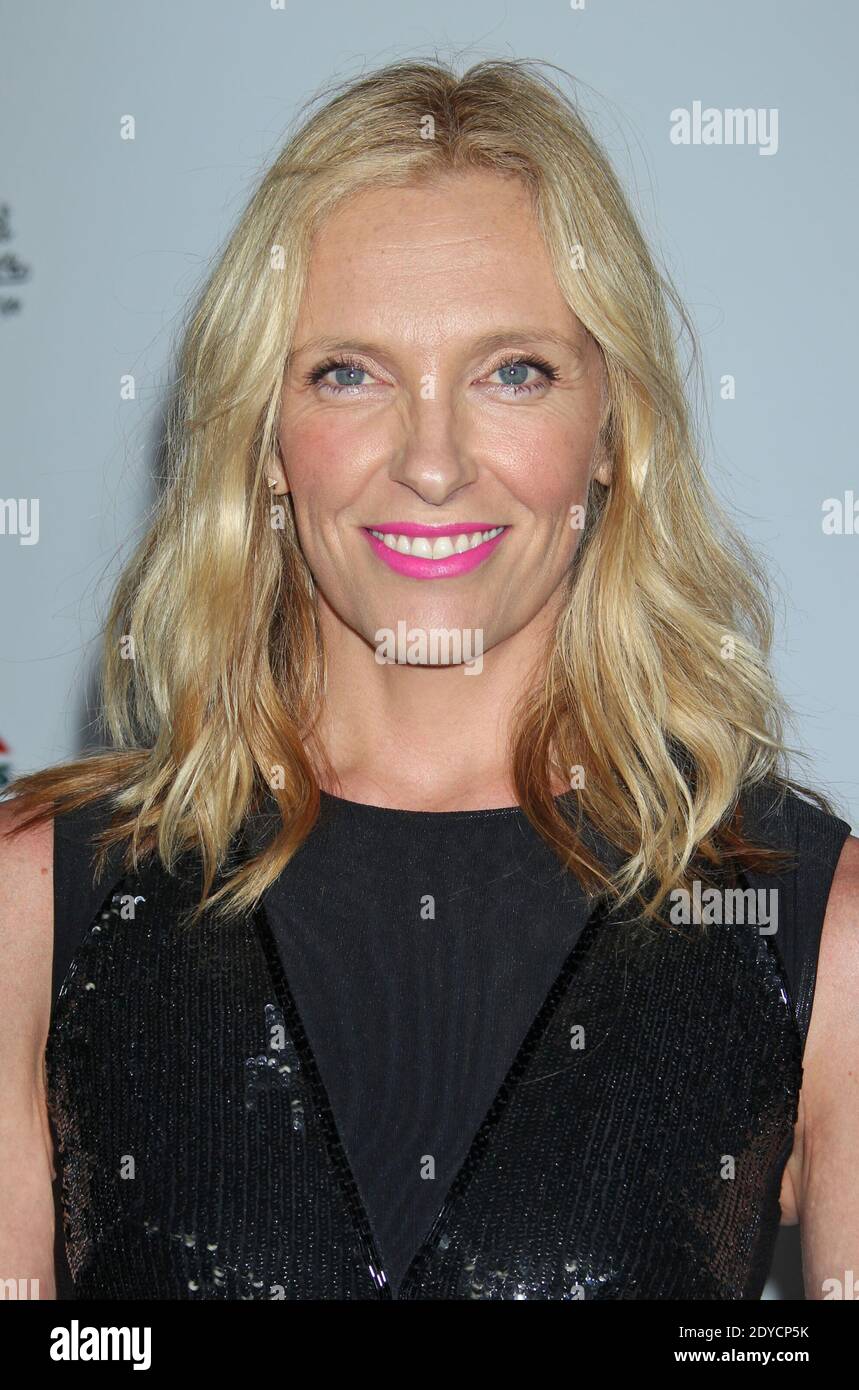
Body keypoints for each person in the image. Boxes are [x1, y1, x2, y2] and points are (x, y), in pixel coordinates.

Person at [1, 56, 857, 1302]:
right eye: (349, 372)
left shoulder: (810, 925)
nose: (435, 461)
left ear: (612, 430)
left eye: (513, 371)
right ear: (268, 442)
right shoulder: (41, 903)